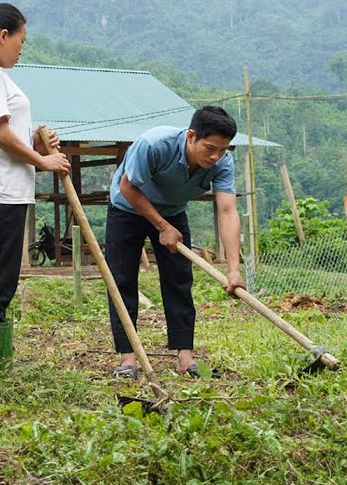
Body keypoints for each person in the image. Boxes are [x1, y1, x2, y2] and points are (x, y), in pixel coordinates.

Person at [0, 3, 70, 371]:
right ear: (3, 36)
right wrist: (42, 160)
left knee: (2, 282)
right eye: (21, 40)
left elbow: (7, 135)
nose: (22, 49)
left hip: (5, 191)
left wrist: (35, 144)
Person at [105, 106, 246, 379]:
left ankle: (185, 359)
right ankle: (128, 359)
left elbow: (228, 211)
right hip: (127, 207)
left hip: (172, 211)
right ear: (191, 136)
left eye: (222, 150)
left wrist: (234, 270)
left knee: (179, 280)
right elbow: (127, 187)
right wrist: (161, 226)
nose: (215, 156)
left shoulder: (222, 163)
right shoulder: (154, 145)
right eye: (210, 148)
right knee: (122, 281)